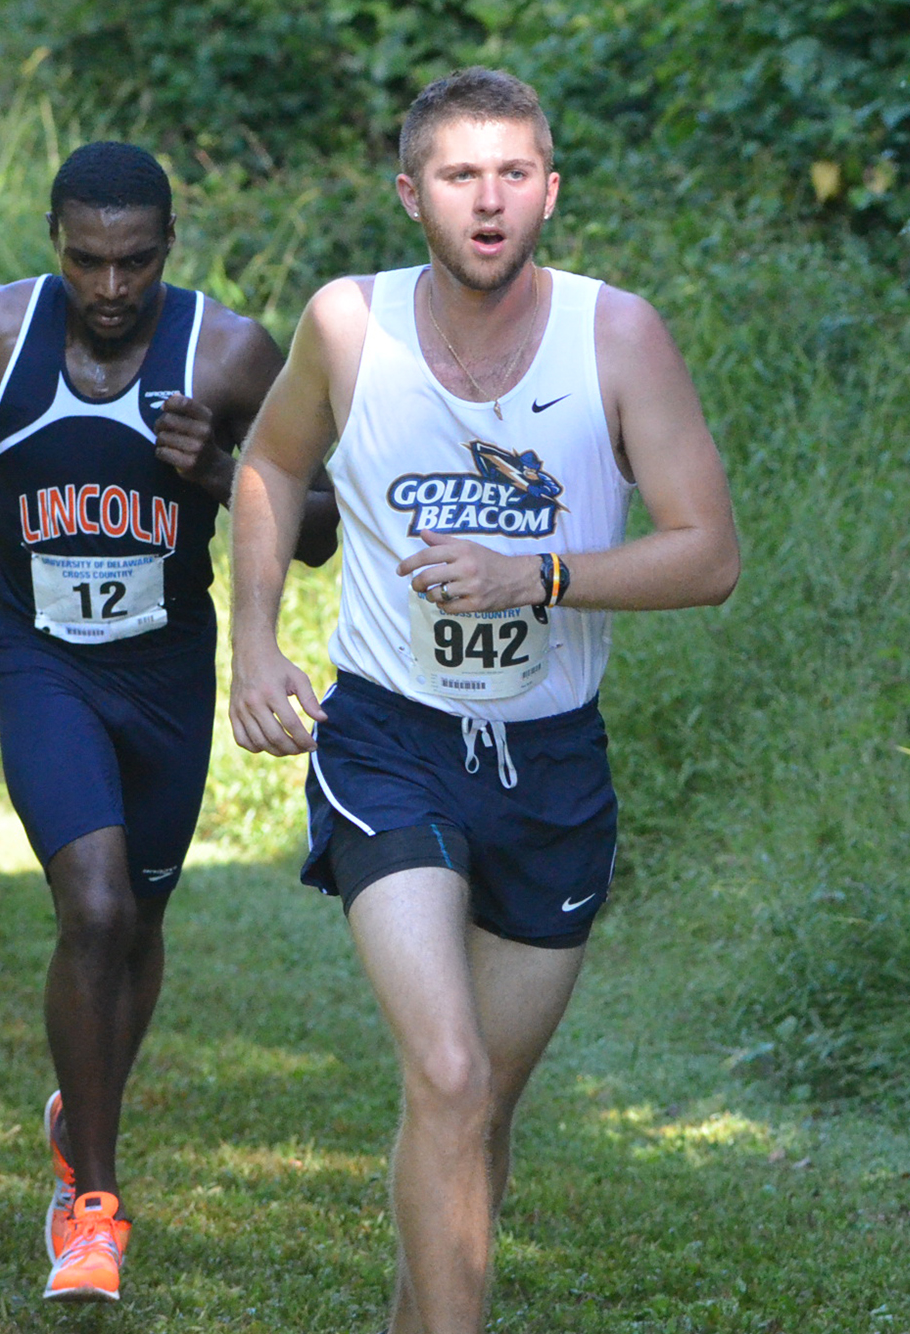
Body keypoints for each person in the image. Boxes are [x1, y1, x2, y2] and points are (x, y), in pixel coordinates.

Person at [227, 68, 740, 1334]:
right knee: (445, 1072)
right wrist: (251, 642)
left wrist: (541, 571)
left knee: (477, 1112)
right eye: (460, 175)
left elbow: (708, 552)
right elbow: (269, 461)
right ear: (412, 195)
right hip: (389, 738)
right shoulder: (348, 325)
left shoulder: (615, 337)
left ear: (550, 191)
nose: (490, 200)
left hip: (552, 764)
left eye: (514, 172)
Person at [0, 140, 337, 1304]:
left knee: (137, 920)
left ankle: (76, 1110)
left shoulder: (228, 349)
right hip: (40, 659)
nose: (111, 287)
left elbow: (324, 518)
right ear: (54, 242)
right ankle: (92, 1201)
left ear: (166, 251)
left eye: (134, 261)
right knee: (90, 903)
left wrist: (224, 466)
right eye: (87, 260)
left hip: (166, 671)